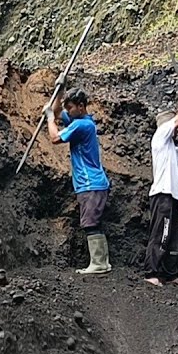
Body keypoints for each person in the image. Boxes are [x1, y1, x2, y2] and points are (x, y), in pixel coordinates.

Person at [46, 88, 112, 275]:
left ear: (81, 106)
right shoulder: (84, 121)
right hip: (93, 183)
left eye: (70, 108)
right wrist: (60, 92)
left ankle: (99, 264)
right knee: (93, 222)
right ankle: (103, 263)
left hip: (90, 183)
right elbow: (58, 112)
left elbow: (55, 138)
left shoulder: (81, 125)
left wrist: (49, 119)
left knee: (90, 223)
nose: (68, 111)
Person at [145, 83, 178, 287]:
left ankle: (170, 273)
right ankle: (152, 272)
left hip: (173, 198)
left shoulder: (172, 150)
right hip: (162, 195)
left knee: (173, 237)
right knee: (162, 233)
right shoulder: (160, 137)